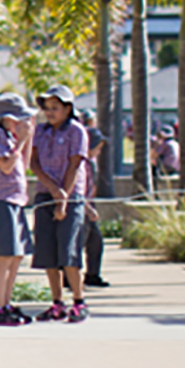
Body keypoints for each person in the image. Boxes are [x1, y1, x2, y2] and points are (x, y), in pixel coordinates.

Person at [29, 85, 90, 323]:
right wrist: (53, 190)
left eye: (56, 107)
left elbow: (74, 165)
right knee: (48, 252)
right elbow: (34, 164)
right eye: (47, 108)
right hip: (46, 194)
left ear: (67, 109)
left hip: (71, 197)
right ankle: (56, 302)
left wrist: (63, 196)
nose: (50, 112)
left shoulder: (77, 132)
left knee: (69, 252)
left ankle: (78, 300)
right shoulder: (40, 132)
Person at [0, 94, 38, 325]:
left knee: (16, 254)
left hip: (14, 199)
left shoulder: (8, 137)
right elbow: (5, 165)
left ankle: (6, 302)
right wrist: (22, 141)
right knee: (5, 256)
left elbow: (20, 165)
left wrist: (27, 140)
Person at [78, 109, 109, 289]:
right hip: (81, 207)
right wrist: (87, 208)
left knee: (95, 241)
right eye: (97, 148)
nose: (99, 152)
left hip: (89, 206)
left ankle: (92, 274)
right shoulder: (80, 164)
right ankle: (67, 275)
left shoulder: (89, 164)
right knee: (78, 243)